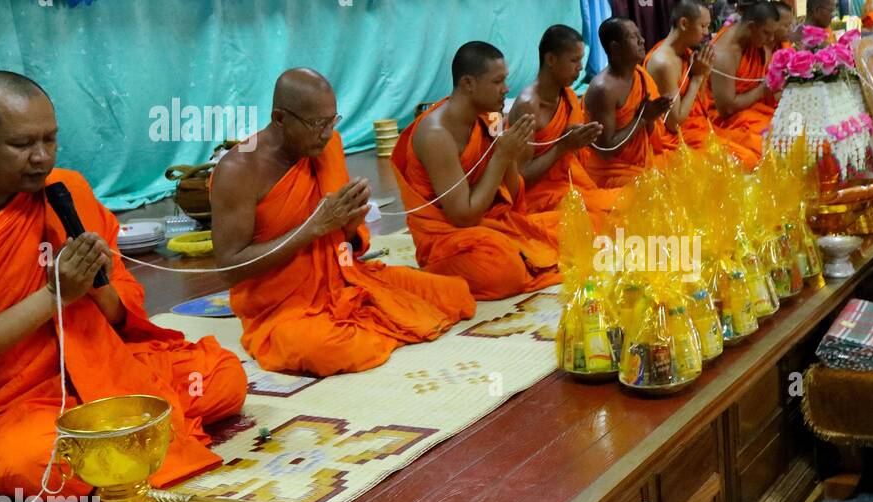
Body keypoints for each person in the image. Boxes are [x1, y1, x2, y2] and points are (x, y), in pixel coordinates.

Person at [0, 72, 247, 496]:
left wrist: (95, 286)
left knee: (224, 379)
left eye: (50, 140)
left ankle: (118, 443)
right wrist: (54, 296)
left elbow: (120, 318)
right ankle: (124, 441)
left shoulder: (67, 190)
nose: (42, 157)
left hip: (99, 369)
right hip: (15, 400)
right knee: (40, 462)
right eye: (23, 145)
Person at [212, 68, 475, 376]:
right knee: (332, 349)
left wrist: (350, 223)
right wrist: (313, 228)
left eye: (331, 121)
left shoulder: (327, 146)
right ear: (280, 118)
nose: (325, 133)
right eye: (316, 124)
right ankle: (378, 324)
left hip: (347, 282)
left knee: (455, 295)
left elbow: (344, 248)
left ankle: (374, 321)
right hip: (283, 308)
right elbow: (230, 268)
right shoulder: (239, 169)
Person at [392, 42, 563, 300]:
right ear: (468, 83)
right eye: (497, 81)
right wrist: (500, 157)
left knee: (565, 228)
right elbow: (463, 217)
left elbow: (513, 198)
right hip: (446, 239)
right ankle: (433, 276)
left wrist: (510, 154)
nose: (506, 89)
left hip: (487, 222)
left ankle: (517, 252)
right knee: (505, 271)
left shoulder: (490, 119)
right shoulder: (435, 135)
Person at [508, 25, 613, 220]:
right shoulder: (528, 106)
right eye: (574, 60)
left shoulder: (568, 97)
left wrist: (582, 138)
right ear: (550, 60)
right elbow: (521, 178)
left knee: (622, 207)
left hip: (571, 184)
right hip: (537, 198)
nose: (580, 68)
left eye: (581, 60)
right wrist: (563, 146)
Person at [581, 17, 673, 188]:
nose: (642, 40)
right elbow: (605, 150)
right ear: (615, 48)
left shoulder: (639, 75)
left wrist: (652, 115)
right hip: (612, 173)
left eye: (640, 35)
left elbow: (652, 131)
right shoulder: (604, 89)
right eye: (633, 37)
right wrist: (643, 118)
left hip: (643, 162)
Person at [707, 0, 781, 170]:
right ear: (751, 26)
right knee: (766, 146)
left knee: (791, 126)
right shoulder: (724, 54)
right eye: (767, 33)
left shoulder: (755, 43)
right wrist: (762, 90)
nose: (771, 39)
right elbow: (726, 109)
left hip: (753, 110)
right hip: (727, 120)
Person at [645, 0, 718, 151]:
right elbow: (674, 123)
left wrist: (704, 73)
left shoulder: (687, 53)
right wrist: (697, 78)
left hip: (697, 129)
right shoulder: (663, 62)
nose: (707, 33)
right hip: (676, 141)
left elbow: (702, 104)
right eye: (703, 26)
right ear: (684, 24)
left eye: (708, 26)